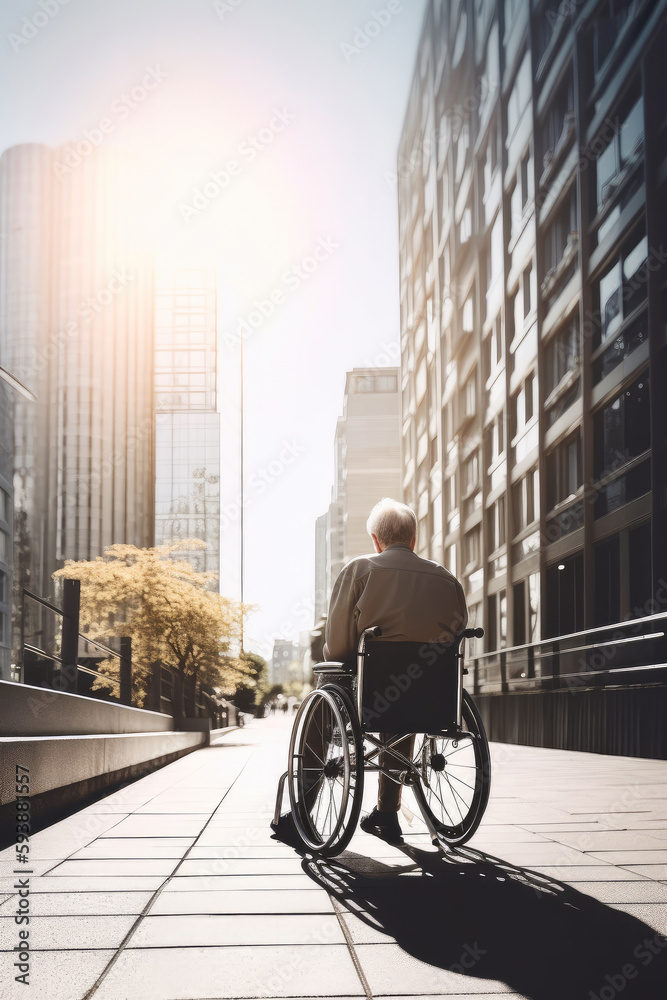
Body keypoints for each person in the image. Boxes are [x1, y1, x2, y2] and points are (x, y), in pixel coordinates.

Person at [322, 497, 467, 844]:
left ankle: (304, 799)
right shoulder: (447, 579)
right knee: (406, 705)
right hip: (433, 695)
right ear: (413, 539)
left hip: (376, 689)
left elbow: (339, 647)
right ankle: (387, 812)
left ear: (376, 539)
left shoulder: (360, 570)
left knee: (329, 679)